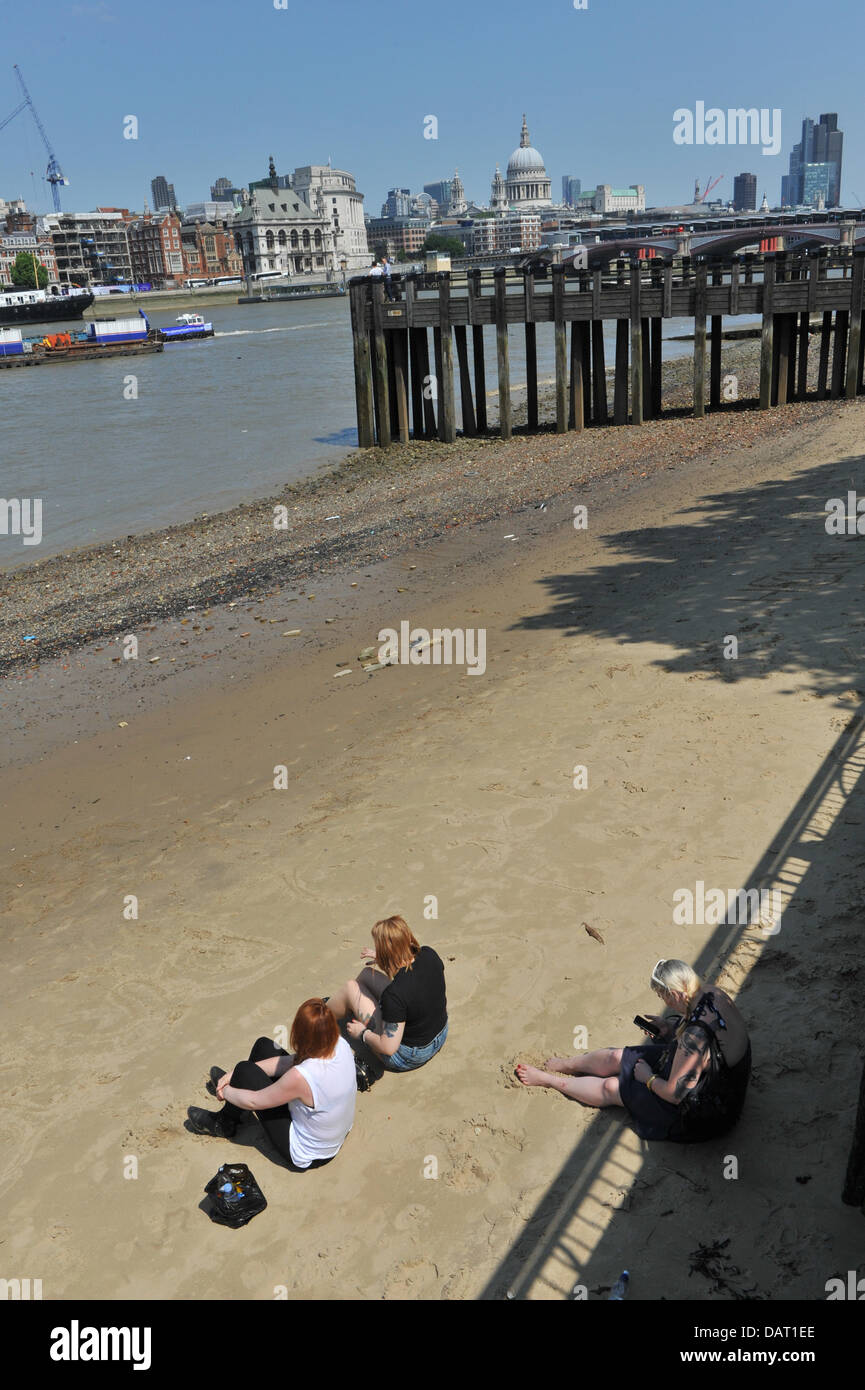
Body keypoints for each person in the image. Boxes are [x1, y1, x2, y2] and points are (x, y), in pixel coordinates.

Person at [515, 958, 750, 1142]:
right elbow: (711, 1037)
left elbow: (674, 1095)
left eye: (663, 996)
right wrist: (670, 1030)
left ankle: (550, 1080)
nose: (665, 1002)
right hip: (708, 1071)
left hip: (710, 1108)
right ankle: (567, 1065)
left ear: (677, 993)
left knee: (612, 1086)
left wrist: (647, 1078)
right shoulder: (710, 993)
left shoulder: (693, 1038)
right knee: (615, 1056)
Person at [186, 999, 356, 1171]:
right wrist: (232, 1076)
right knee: (264, 1046)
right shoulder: (340, 1044)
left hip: (311, 1152)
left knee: (245, 1071)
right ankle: (237, 1090)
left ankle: (223, 1123)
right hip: (332, 1133)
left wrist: (226, 1091)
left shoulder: (302, 1077)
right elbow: (289, 1062)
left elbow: (255, 1101)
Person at [327, 915, 448, 1072]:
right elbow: (421, 987)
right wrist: (383, 957)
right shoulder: (429, 954)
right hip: (440, 1033)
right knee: (366, 974)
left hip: (409, 1056)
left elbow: (388, 1048)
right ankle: (339, 1006)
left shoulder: (395, 994)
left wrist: (362, 1034)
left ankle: (321, 1017)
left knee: (351, 987)